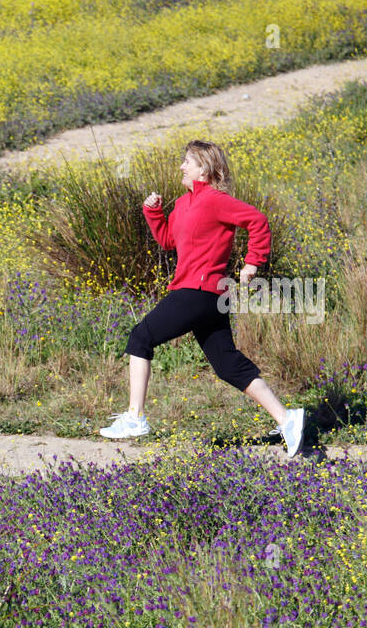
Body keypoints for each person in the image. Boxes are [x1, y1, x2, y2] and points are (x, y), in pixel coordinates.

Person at [99, 140, 304, 456]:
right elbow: (168, 241)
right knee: (227, 364)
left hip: (198, 291)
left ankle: (135, 418)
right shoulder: (183, 204)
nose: (181, 167)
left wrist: (252, 262)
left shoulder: (215, 201)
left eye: (187, 162)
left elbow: (258, 221)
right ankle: (287, 419)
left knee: (141, 337)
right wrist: (153, 212)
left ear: (204, 169)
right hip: (207, 296)